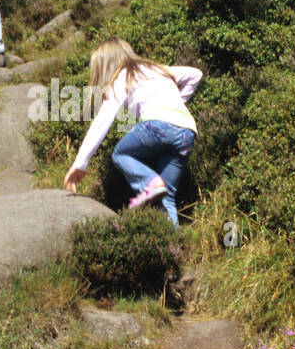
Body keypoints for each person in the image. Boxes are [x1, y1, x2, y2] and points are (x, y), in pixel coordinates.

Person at [63, 37, 203, 226]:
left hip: (157, 125)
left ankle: (150, 183)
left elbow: (102, 122)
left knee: (121, 153)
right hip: (186, 131)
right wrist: (177, 101)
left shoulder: (122, 77)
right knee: (166, 198)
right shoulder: (157, 69)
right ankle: (174, 250)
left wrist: (80, 164)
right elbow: (195, 74)